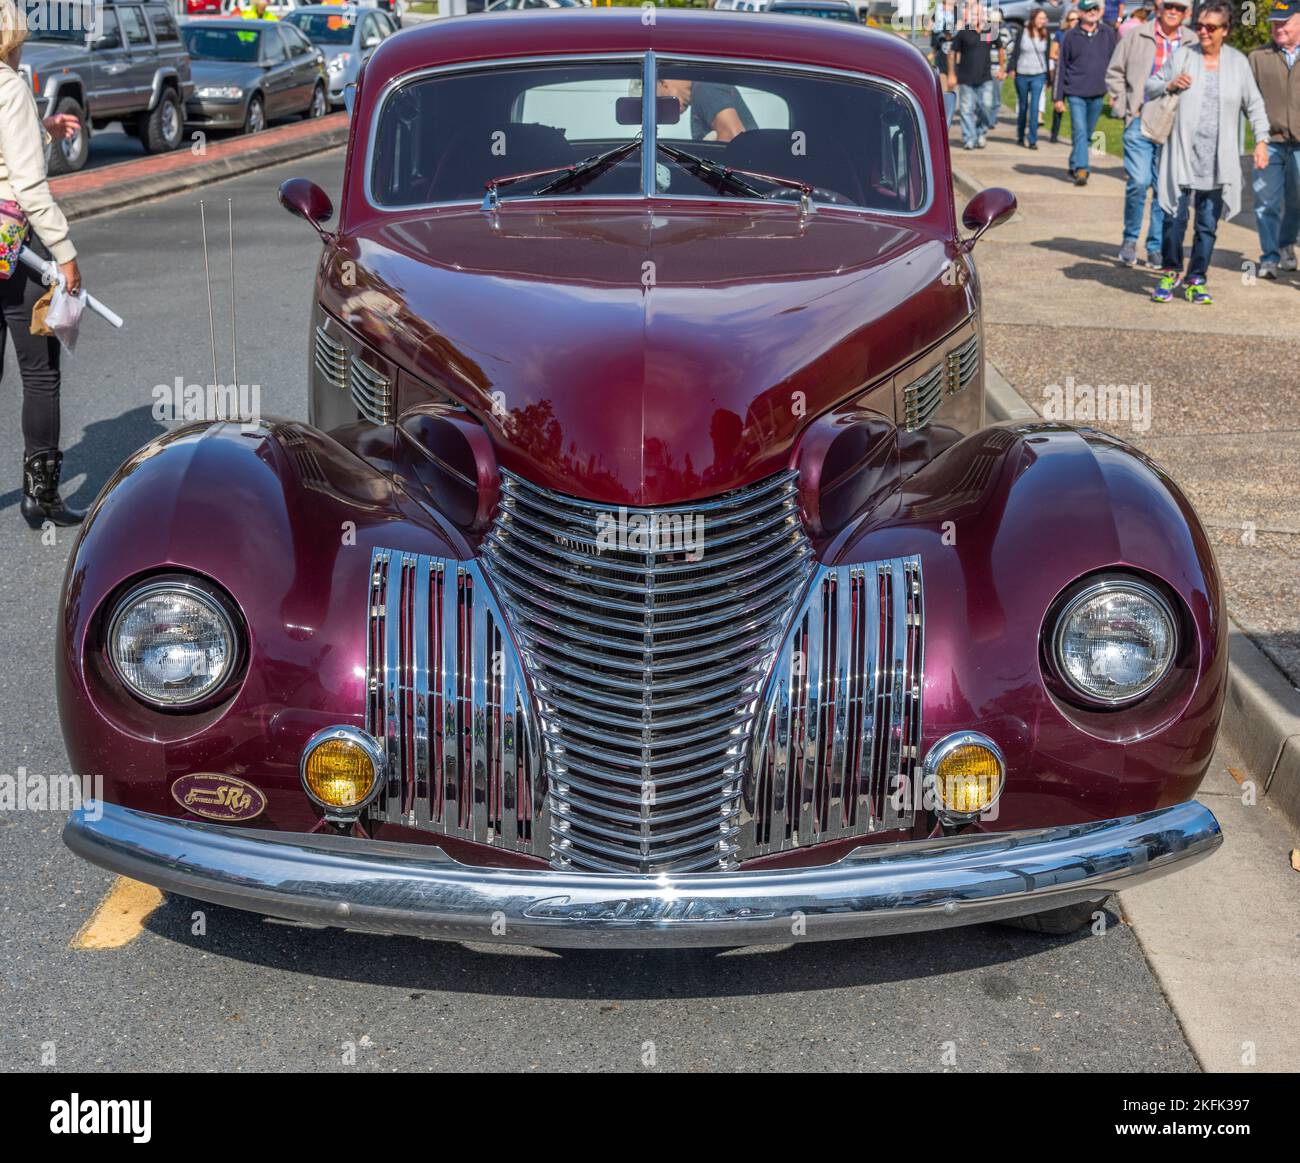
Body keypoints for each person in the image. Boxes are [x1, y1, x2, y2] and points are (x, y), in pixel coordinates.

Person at [0, 0, 84, 527]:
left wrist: (42, 130)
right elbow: (28, 185)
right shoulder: (8, 87)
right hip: (15, 246)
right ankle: (42, 495)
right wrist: (66, 252)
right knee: (40, 372)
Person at [1148, 1, 1270, 303]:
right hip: (1181, 156)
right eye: (1200, 25)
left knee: (1207, 225)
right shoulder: (1183, 56)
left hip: (1217, 161)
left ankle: (1196, 278)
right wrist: (1171, 84)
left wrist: (1262, 140)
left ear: (1225, 30)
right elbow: (1151, 85)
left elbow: (1254, 104)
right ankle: (1171, 271)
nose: (1203, 31)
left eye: (1211, 27)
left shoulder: (1237, 63)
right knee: (1173, 221)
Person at [1107, 0, 1196, 267]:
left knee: (1162, 188)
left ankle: (1155, 247)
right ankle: (1129, 241)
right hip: (1139, 119)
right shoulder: (1138, 33)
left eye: (1179, 8)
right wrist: (1126, 107)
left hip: (1174, 122)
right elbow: (1115, 72)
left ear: (1186, 13)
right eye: (1169, 5)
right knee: (1138, 180)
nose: (1173, 11)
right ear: (1159, 7)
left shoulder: (1192, 40)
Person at [1249, 0, 1300, 279]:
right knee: (1265, 201)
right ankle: (1268, 257)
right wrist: (1258, 138)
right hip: (1269, 141)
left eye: (1285, 22)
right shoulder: (1258, 57)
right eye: (1274, 23)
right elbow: (1248, 100)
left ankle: (1285, 244)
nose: (1278, 28)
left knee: (1297, 201)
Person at [1054, 0, 1118, 184]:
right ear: (1080, 13)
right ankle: (1082, 169)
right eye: (1088, 9)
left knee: (1088, 133)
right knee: (1080, 130)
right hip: (1075, 92)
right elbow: (1061, 67)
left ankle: (1074, 162)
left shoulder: (1107, 33)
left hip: (1098, 92)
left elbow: (1115, 65)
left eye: (1095, 9)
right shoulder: (1070, 35)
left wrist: (1114, 93)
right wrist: (1058, 97)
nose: (1092, 12)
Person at [948, 2, 1006, 151]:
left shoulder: (990, 31)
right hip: (966, 78)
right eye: (974, 14)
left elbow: (1000, 48)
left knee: (986, 107)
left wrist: (1001, 68)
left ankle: (981, 132)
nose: (977, 17)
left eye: (979, 14)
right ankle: (969, 138)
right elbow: (952, 53)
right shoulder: (963, 32)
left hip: (985, 78)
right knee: (966, 110)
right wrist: (952, 74)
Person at [656, 78, 757, 143]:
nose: (678, 112)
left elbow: (733, 136)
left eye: (665, 103)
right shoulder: (700, 92)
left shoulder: (705, 89)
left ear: (665, 84)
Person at [1009, 8, 1051, 148]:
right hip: (1022, 73)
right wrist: (1012, 68)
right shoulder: (1023, 32)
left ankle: (1032, 139)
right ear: (1033, 19)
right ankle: (1020, 135)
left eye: (1044, 18)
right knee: (1023, 106)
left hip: (1038, 74)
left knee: (1035, 107)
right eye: (1040, 18)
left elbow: (1046, 56)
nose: (1042, 21)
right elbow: (1015, 52)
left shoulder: (1046, 34)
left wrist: (1048, 78)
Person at [1049, 8, 1082, 142]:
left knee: (1077, 108)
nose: (1075, 21)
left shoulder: (1082, 35)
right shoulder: (1060, 34)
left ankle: (1077, 137)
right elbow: (1052, 53)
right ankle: (1054, 134)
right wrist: (1063, 59)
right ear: (1067, 21)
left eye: (1077, 19)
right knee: (1058, 105)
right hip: (1062, 73)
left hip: (1077, 75)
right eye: (1072, 19)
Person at [930, 0, 959, 127]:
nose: (948, 34)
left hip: (953, 69)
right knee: (942, 92)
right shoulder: (940, 39)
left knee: (951, 91)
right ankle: (942, 114)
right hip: (941, 68)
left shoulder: (957, 41)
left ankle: (947, 112)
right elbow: (935, 50)